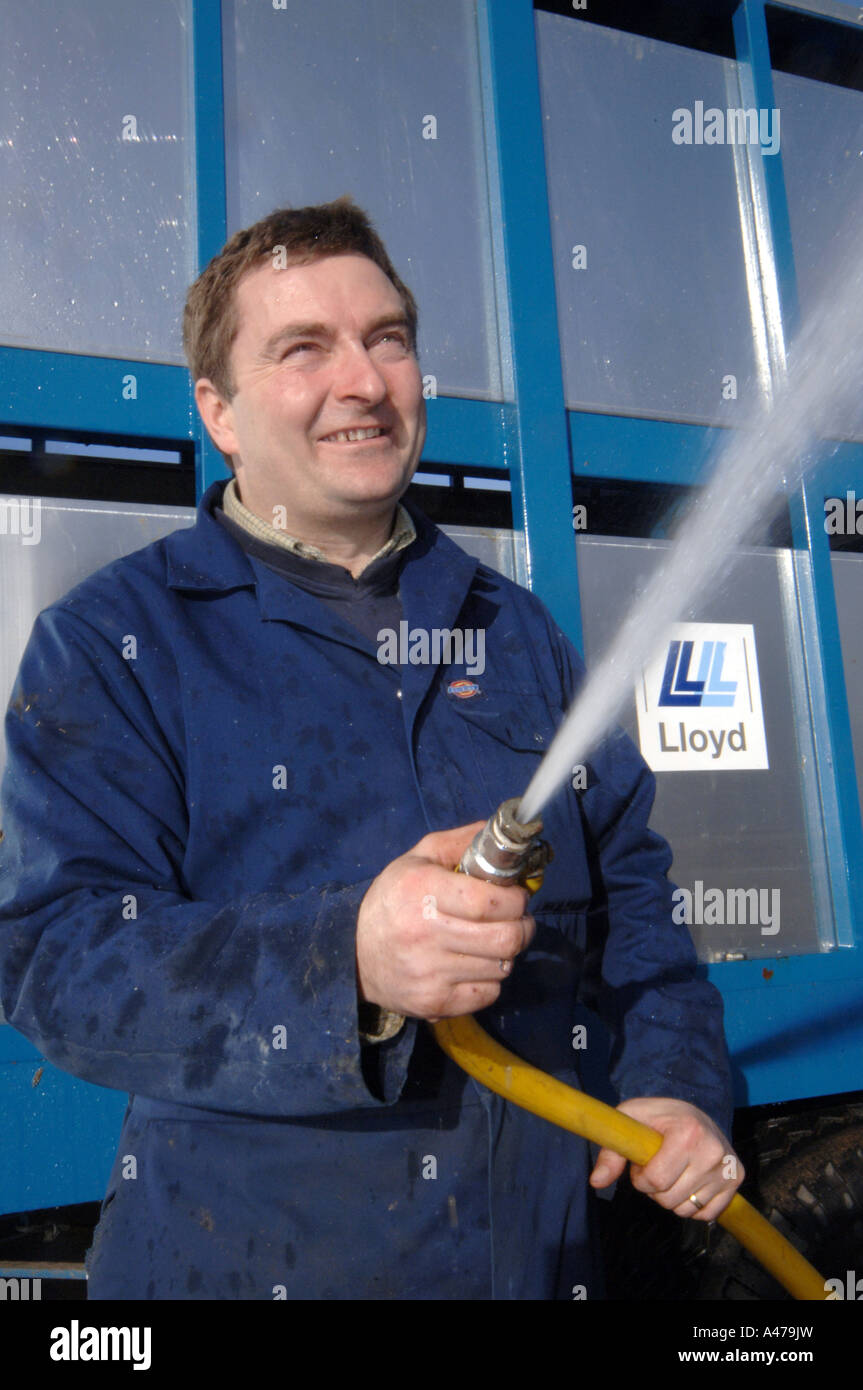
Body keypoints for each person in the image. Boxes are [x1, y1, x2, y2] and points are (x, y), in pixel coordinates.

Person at [0, 196, 742, 1300]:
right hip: (244, 1266)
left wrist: (674, 1084)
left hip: (535, 1266)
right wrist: (343, 957)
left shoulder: (515, 629)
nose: (363, 380)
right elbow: (54, 958)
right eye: (303, 349)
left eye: (386, 338)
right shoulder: (116, 641)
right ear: (220, 411)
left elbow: (633, 900)